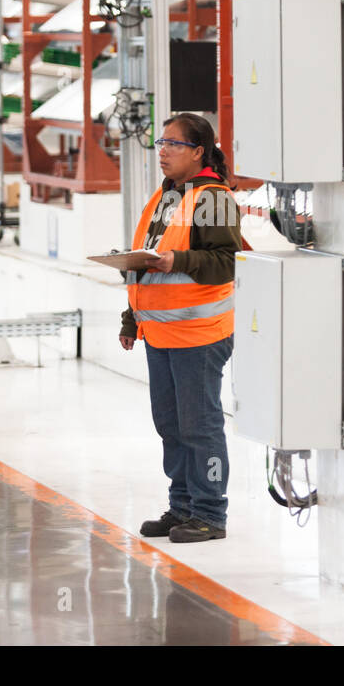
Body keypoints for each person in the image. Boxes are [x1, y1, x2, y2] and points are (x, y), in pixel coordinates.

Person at [120, 112, 241, 543]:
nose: (164, 151)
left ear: (197, 152)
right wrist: (131, 318)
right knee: (170, 424)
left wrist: (180, 261)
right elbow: (150, 260)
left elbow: (226, 263)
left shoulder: (210, 198)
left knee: (199, 425)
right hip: (161, 332)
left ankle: (210, 513)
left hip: (199, 334)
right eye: (161, 144)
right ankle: (183, 506)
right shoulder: (169, 195)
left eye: (173, 144)